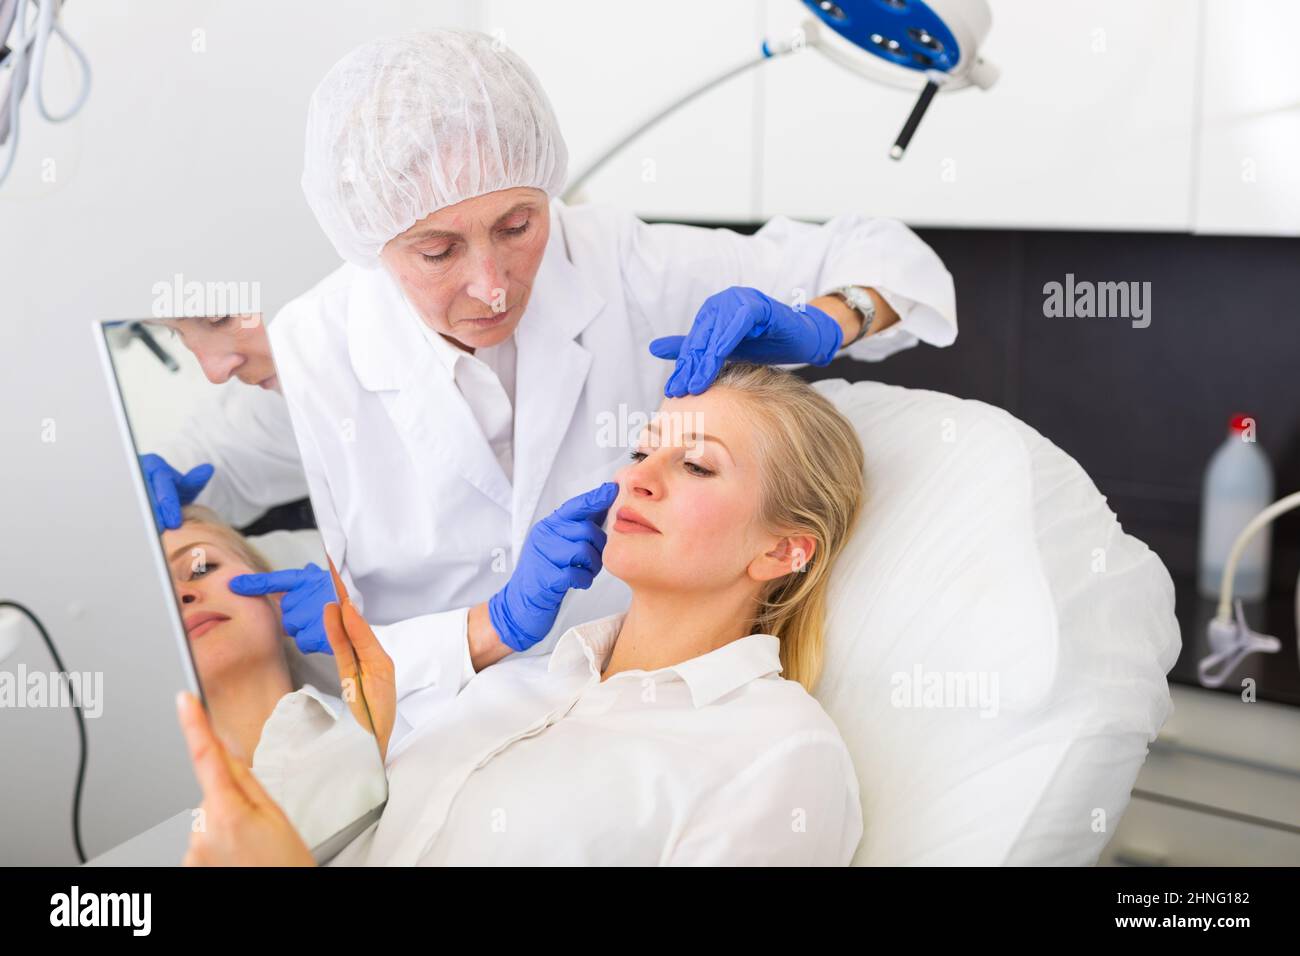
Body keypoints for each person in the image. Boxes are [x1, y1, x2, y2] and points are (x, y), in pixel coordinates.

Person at [153, 29, 957, 726]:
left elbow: (885, 255)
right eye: (437, 252)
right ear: (369, 242)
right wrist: (491, 625)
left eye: (518, 225)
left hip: (626, 700)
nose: (493, 283)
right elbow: (199, 487)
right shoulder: (320, 350)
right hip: (428, 730)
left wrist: (828, 318)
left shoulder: (623, 267)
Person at [177, 363, 867, 866]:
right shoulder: (512, 687)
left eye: (696, 465)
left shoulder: (776, 755)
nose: (638, 478)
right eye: (641, 449)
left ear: (783, 550)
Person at [163, 505, 386, 848]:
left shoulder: (394, 727)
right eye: (158, 598)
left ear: (277, 599)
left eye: (202, 567)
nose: (182, 594)